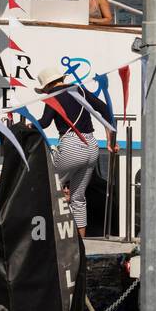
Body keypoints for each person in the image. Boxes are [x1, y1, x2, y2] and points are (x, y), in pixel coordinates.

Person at [36, 66, 115, 238]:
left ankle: (47, 238)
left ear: (47, 86)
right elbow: (106, 110)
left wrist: (28, 124)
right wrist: (110, 141)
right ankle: (81, 242)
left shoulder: (53, 96)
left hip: (71, 144)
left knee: (49, 189)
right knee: (78, 198)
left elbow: (44, 122)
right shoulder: (79, 90)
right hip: (91, 146)